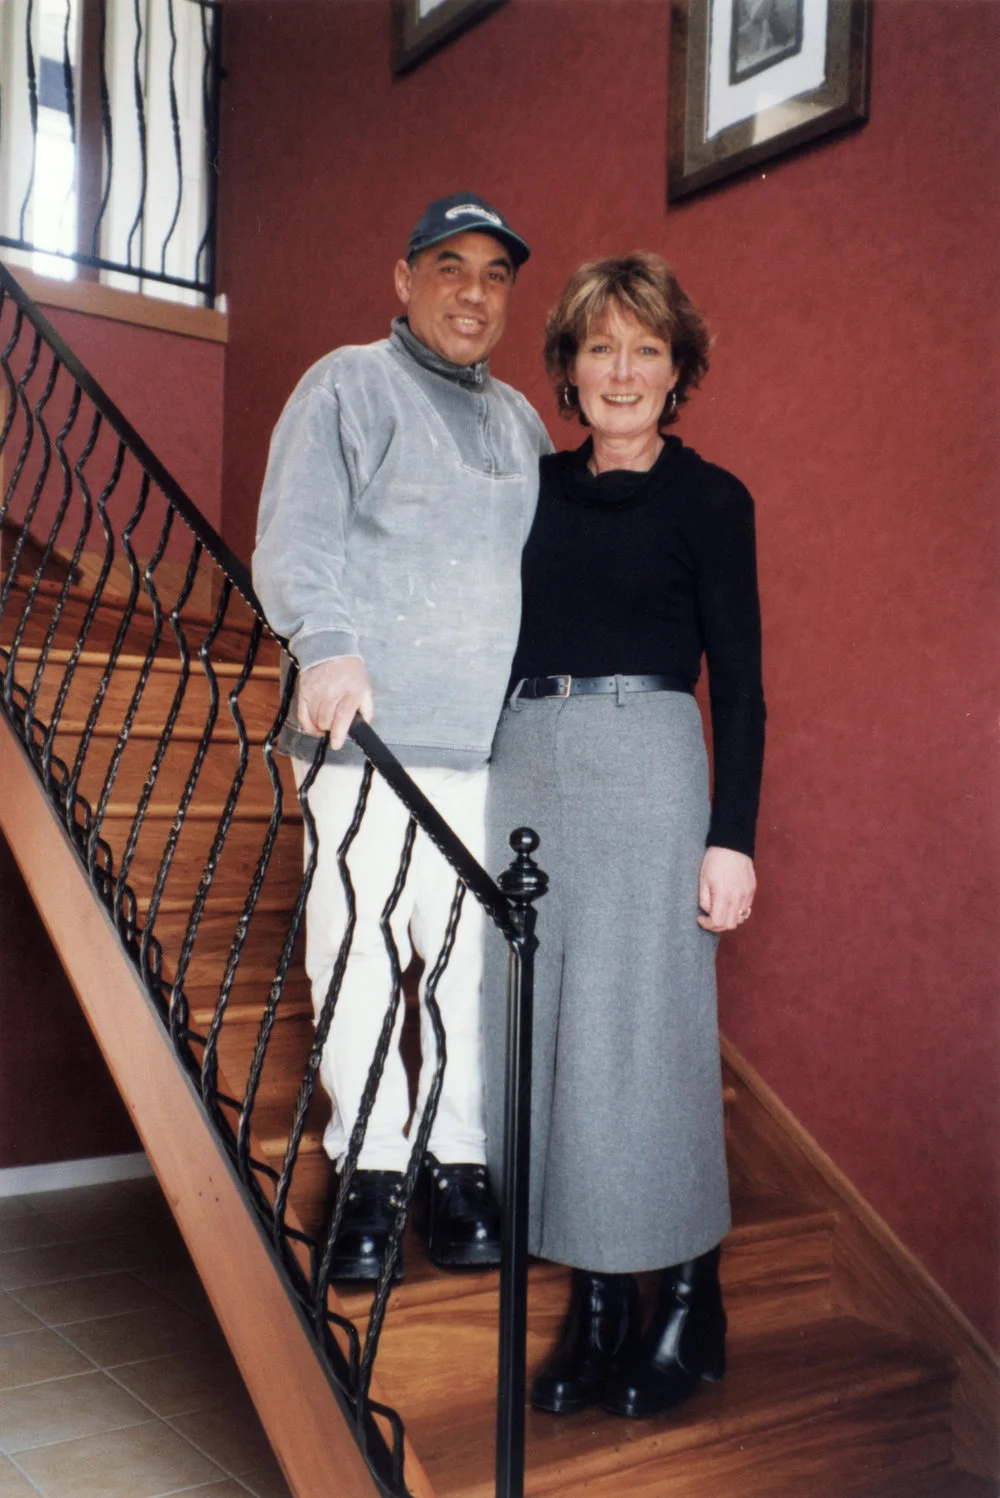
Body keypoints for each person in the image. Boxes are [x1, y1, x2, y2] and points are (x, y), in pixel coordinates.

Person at [484, 252, 765, 1418]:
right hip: (526, 762)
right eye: (599, 346)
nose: (621, 369)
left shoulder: (712, 500)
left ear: (677, 369)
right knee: (544, 1037)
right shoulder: (528, 490)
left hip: (649, 765)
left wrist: (731, 836)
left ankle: (690, 1300)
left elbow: (741, 687)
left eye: (645, 348)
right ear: (565, 366)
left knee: (641, 1040)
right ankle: (596, 1309)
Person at [252, 193, 552, 1280]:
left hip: (489, 753)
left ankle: (457, 1161)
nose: (473, 291)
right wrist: (326, 645)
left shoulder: (522, 423)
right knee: (360, 961)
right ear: (404, 279)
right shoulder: (347, 384)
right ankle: (373, 1170)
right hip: (368, 742)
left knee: (470, 972)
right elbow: (297, 536)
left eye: (494, 274)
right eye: (449, 267)